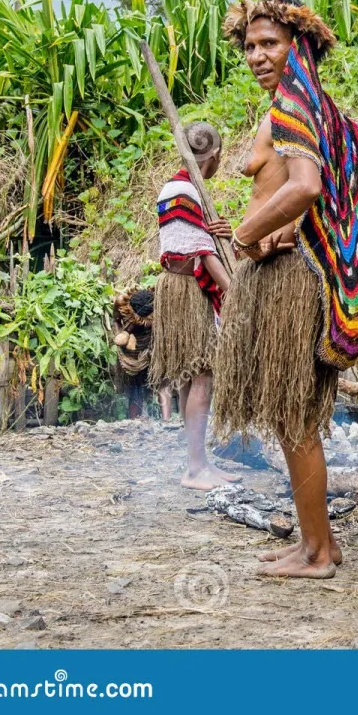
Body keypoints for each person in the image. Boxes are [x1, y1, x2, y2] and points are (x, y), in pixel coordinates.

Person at [212, 0, 358, 579]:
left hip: (294, 282)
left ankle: (316, 553)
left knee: (294, 416)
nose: (258, 55)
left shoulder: (296, 99)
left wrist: (244, 235)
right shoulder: (306, 101)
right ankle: (317, 541)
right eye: (250, 46)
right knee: (295, 416)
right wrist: (272, 229)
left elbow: (308, 186)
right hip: (287, 270)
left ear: (299, 44)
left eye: (270, 43)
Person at [149, 123, 239, 488]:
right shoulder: (183, 189)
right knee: (202, 374)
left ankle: (199, 463)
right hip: (185, 290)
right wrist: (233, 290)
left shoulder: (182, 188)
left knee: (192, 375)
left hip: (186, 290)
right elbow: (196, 251)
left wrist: (224, 235)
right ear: (214, 156)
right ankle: (195, 469)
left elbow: (204, 240)